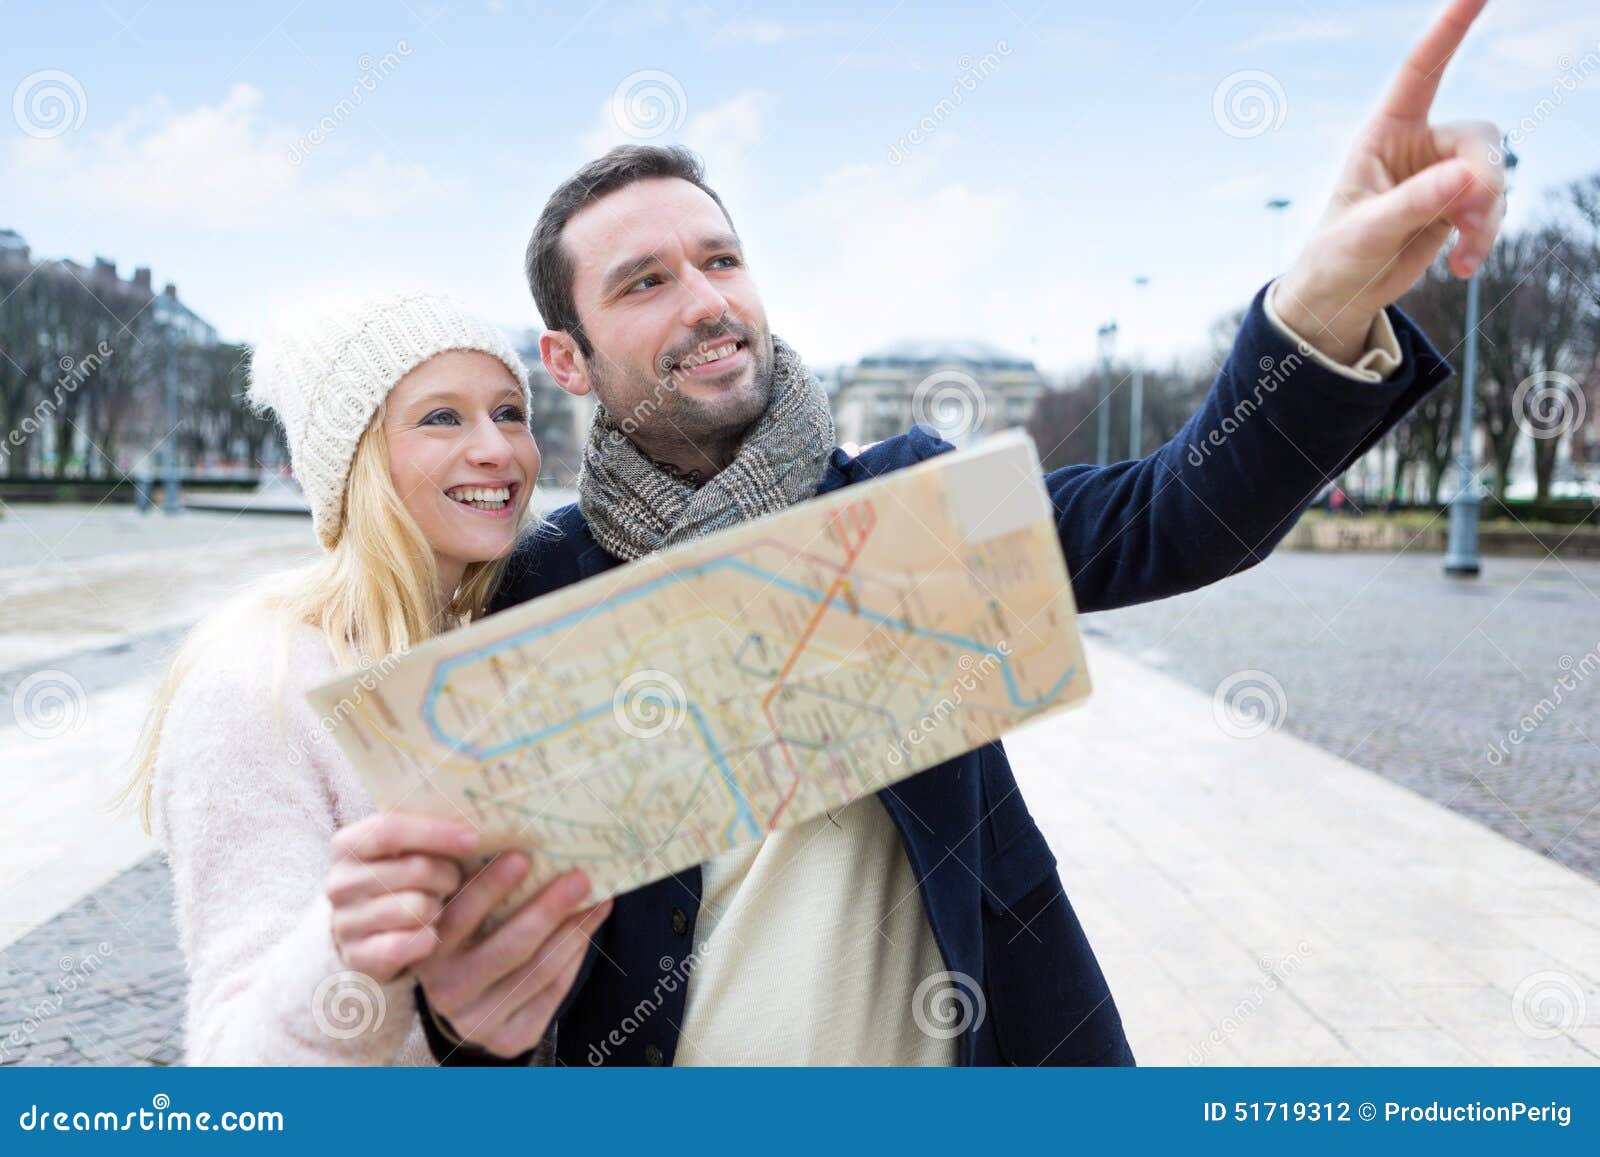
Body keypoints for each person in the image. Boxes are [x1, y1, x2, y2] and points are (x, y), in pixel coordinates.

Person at [414, 0, 1504, 1066]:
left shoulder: (910, 505)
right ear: (567, 360)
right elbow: (482, 975)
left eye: (721, 259)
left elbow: (1171, 518)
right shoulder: (529, 587)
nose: (705, 300)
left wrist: (1317, 303)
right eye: (646, 281)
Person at [120, 292, 613, 1064]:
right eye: (441, 417)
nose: (499, 449)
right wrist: (348, 950)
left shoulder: (490, 647)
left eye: (509, 412)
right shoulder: (256, 680)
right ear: (356, 461)